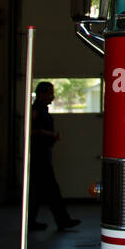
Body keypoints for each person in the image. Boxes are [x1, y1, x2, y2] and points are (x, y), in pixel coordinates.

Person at [28, 82, 80, 232]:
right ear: (42, 94)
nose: (53, 96)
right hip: (39, 156)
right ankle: (62, 220)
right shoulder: (36, 110)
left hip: (44, 154)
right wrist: (52, 134)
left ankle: (32, 221)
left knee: (39, 191)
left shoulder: (42, 109)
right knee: (51, 190)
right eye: (50, 93)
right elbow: (33, 131)